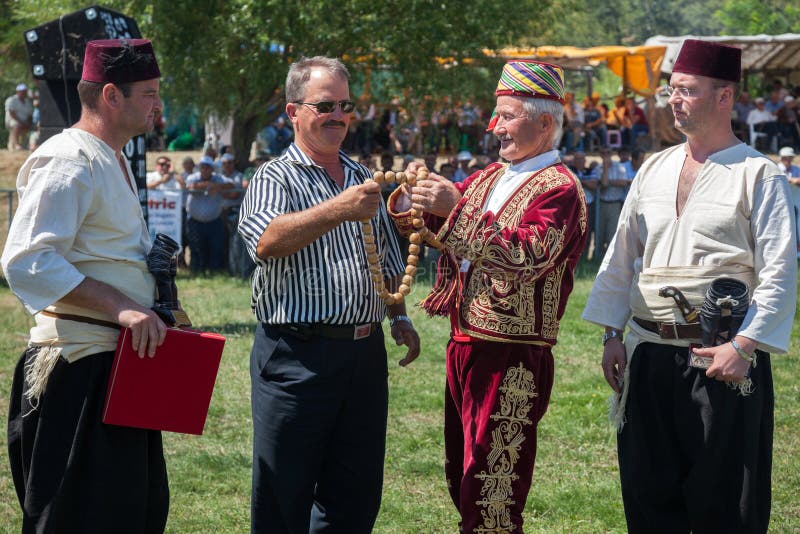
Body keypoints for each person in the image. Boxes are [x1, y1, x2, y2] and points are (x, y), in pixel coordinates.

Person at [582, 39, 797, 533]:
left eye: (687, 90)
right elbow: (621, 255)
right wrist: (612, 334)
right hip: (648, 355)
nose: (674, 100)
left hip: (722, 359)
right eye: (672, 90)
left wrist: (743, 346)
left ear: (725, 96)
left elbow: (779, 271)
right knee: (649, 499)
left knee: (727, 508)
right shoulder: (653, 168)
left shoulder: (758, 174)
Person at [389, 60, 587, 533]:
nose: (494, 126)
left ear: (545, 124)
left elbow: (525, 255)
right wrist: (412, 196)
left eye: (508, 116)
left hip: (512, 353)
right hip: (467, 342)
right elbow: (437, 221)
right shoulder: (489, 176)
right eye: (496, 114)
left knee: (494, 486)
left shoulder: (560, 189)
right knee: (464, 475)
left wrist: (453, 208)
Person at [237, 56, 420, 533]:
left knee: (354, 497)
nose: (337, 115)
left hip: (363, 355)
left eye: (345, 105)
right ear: (293, 112)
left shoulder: (362, 175)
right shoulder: (274, 176)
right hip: (297, 355)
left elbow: (386, 258)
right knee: (283, 497)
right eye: (324, 106)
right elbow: (265, 241)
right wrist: (338, 208)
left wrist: (399, 316)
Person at [1, 39, 170, 532]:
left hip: (117, 365)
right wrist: (121, 305)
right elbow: (27, 259)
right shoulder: (69, 158)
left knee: (132, 512)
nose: (158, 105)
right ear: (112, 95)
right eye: (149, 93)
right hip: (77, 371)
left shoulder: (111, 156)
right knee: (77, 517)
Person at [185, 155, 233, 273]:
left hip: (214, 220)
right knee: (196, 247)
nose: (205, 170)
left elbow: (231, 185)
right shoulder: (193, 177)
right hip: (195, 221)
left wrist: (217, 186)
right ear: (200, 168)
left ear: (212, 169)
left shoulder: (218, 178)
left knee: (216, 247)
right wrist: (208, 185)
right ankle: (196, 271)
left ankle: (214, 271)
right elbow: (190, 186)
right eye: (203, 167)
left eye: (208, 167)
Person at [778, 146, 800, 256]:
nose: (788, 160)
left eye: (790, 157)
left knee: (795, 225)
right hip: (780, 203)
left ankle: (796, 249)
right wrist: (792, 180)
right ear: (781, 158)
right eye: (786, 158)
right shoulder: (776, 168)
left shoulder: (796, 169)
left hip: (794, 202)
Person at [5, 83, 34, 150]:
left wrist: (28, 122)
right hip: (13, 120)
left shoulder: (27, 101)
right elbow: (12, 114)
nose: (24, 93)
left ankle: (25, 145)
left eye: (25, 91)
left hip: (24, 121)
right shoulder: (12, 99)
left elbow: (30, 115)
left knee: (32, 127)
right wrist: (22, 122)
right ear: (18, 91)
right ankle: (16, 145)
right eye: (22, 91)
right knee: (17, 125)